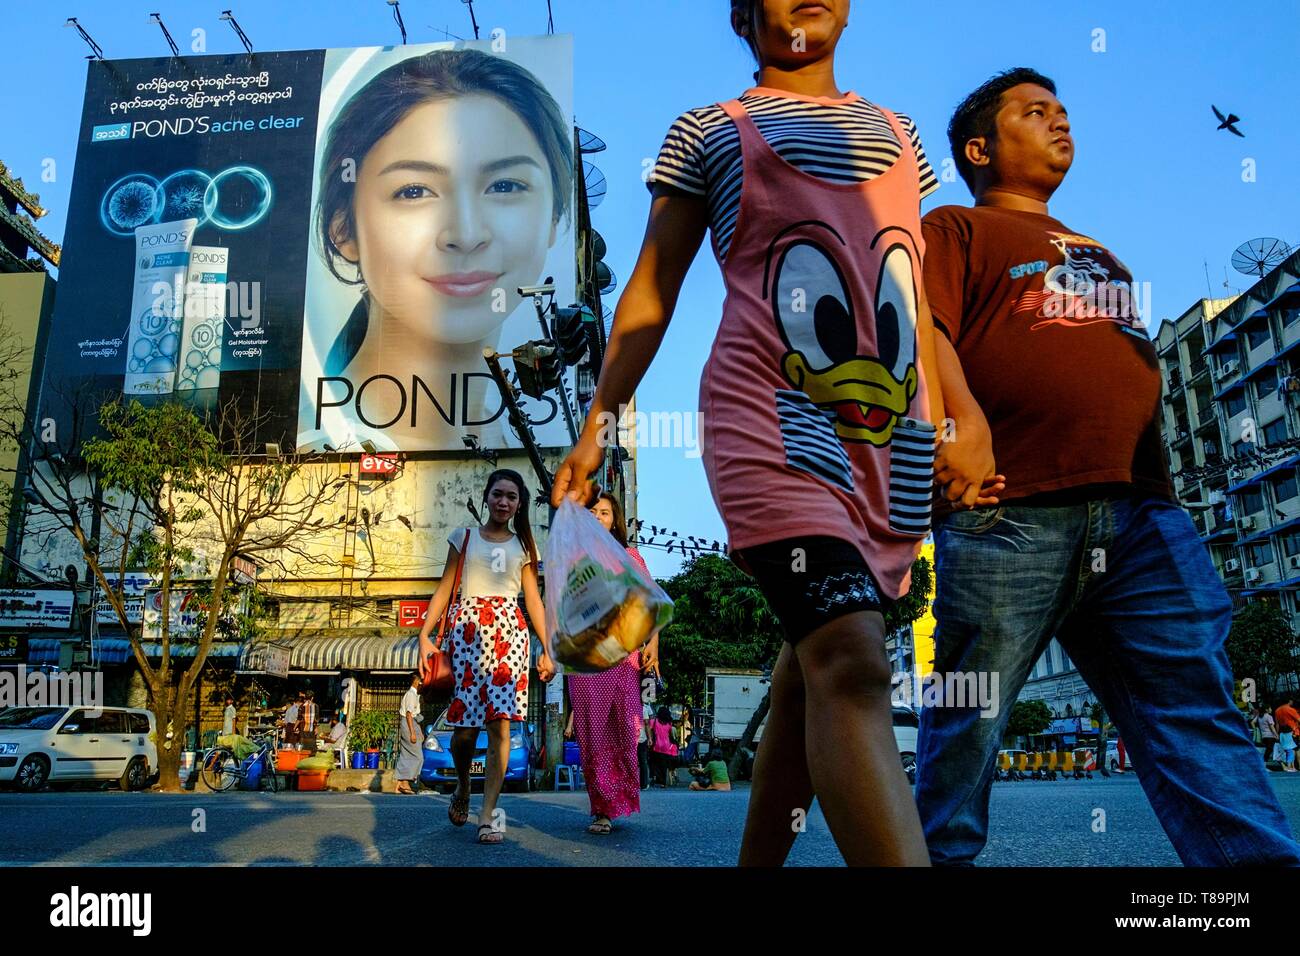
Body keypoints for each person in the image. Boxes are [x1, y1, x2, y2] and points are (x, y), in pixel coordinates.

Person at [552, 0, 949, 867]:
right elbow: (653, 293)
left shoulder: (900, 135)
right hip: (769, 421)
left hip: (893, 442)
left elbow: (916, 294)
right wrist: (598, 423)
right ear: (742, 12)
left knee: (814, 676)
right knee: (849, 658)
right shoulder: (709, 131)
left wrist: (962, 417)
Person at [913, 67, 1300, 865]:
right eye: (1034, 112)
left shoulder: (1098, 251)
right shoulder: (954, 226)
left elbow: (1128, 374)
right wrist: (960, 418)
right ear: (979, 148)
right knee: (966, 721)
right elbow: (923, 324)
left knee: (1195, 707)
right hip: (1008, 507)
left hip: (1141, 513)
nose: (1059, 122)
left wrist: (1161, 492)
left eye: (1062, 111)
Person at [304, 48, 574, 450]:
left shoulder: (517, 453)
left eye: (504, 186)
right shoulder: (312, 442)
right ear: (344, 230)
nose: (465, 235)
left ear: (553, 217)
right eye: (414, 191)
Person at [417, 469, 556, 843]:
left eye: (512, 496)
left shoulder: (526, 546)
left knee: (501, 727)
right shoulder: (462, 537)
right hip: (468, 634)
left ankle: (487, 812)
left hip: (510, 634)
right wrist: (424, 635)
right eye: (498, 494)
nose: (504, 501)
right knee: (464, 733)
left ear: (519, 503)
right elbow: (445, 588)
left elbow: (534, 602)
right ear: (487, 496)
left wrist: (547, 649)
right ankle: (463, 786)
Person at [566, 491, 657, 834]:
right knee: (592, 732)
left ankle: (619, 798)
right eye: (591, 512)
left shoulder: (630, 556)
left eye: (604, 512)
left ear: (614, 519)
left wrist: (655, 646)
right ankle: (601, 806)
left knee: (623, 728)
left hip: (624, 657)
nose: (597, 517)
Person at [395, 673, 423, 794]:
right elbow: (409, 714)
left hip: (412, 724)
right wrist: (412, 733)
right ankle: (405, 781)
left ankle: (399, 783)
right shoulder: (411, 695)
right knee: (418, 757)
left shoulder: (415, 695)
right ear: (417, 682)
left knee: (406, 754)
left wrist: (419, 731)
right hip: (409, 724)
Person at [646, 706, 679, 788]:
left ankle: (655, 778)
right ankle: (663, 782)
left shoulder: (654, 721)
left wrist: (649, 739)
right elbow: (671, 734)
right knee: (663, 765)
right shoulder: (669, 723)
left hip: (656, 745)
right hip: (666, 746)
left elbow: (649, 729)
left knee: (653, 763)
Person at [1275, 697, 1299, 772]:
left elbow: (1277, 724)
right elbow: (1299, 719)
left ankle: (1292, 767)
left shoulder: (1277, 710)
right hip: (1292, 732)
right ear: (1290, 701)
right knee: (1294, 749)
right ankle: (1291, 767)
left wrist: (1276, 734)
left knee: (1289, 749)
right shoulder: (1290, 709)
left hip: (1282, 732)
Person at [299, 690, 319, 755]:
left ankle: (304, 757)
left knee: (303, 746)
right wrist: (316, 728)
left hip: (303, 729)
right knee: (312, 745)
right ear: (312, 698)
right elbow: (316, 719)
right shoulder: (316, 706)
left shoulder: (302, 706)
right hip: (311, 729)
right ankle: (312, 756)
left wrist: (295, 727)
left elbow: (299, 719)